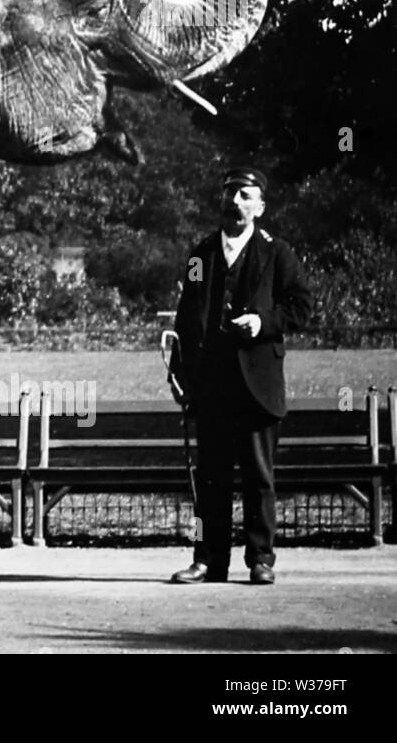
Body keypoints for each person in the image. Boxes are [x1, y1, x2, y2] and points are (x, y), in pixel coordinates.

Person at [168, 166, 313, 586]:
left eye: (246, 195)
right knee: (207, 481)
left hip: (258, 388)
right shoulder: (201, 255)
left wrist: (264, 323)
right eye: (231, 193)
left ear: (260, 207)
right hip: (211, 388)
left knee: (258, 477)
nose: (236, 202)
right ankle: (206, 559)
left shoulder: (277, 253)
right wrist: (181, 375)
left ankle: (261, 559)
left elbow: (301, 306)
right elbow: (186, 317)